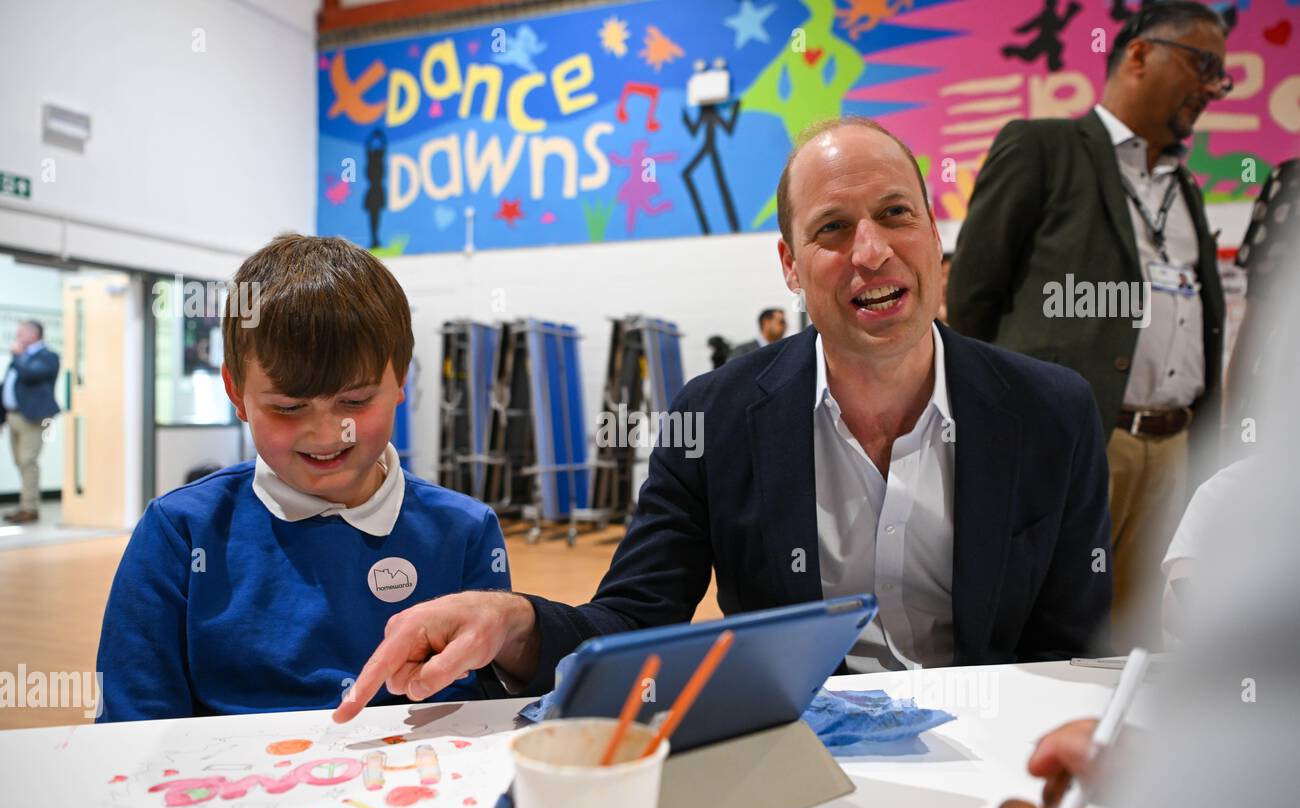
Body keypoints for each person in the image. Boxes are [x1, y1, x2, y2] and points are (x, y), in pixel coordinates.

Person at [335, 117, 1113, 720]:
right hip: (799, 751)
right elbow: (637, 615)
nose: (871, 251)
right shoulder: (713, 417)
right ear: (789, 267)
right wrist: (515, 621)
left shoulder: (1051, 412)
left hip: (992, 750)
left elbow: (1069, 649)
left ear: (936, 233)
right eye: (832, 229)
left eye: (895, 213)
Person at [96, 235, 509, 721]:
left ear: (401, 380)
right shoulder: (179, 533)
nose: (327, 432)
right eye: (289, 408)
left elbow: (489, 713)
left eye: (354, 402)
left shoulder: (465, 532)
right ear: (235, 391)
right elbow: (130, 720)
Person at [947, 1, 1230, 649]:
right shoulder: (1042, 147)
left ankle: (1112, 748)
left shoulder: (1182, 186)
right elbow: (972, 298)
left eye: (1223, 76)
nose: (1214, 86)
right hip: (1072, 442)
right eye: (1204, 64)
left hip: (1174, 447)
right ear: (1138, 53)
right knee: (1051, 631)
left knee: (1135, 640)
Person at [1, 320, 60, 525]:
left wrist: (17, 356)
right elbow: (7, 385)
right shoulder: (21, 357)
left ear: (35, 334)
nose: (17, 335)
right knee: (20, 462)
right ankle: (26, 504)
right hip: (13, 416)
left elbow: (30, 374)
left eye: (22, 332)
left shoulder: (48, 357)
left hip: (35, 418)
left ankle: (30, 508)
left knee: (28, 461)